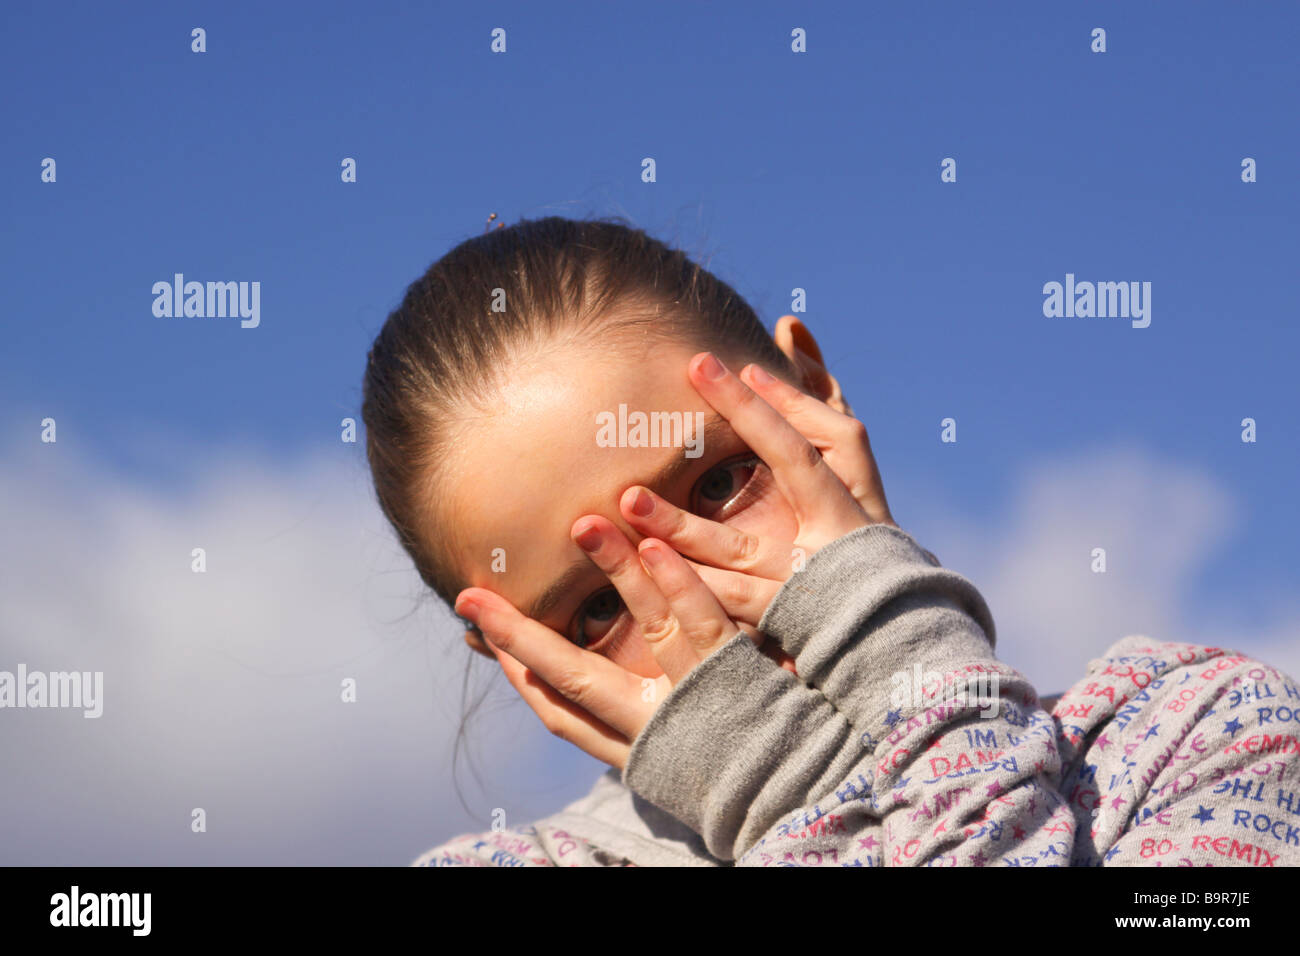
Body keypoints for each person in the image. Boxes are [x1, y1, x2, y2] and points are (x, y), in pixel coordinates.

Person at [361, 216, 1300, 867]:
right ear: (521, 664)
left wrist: (900, 679)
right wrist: (783, 779)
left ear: (811, 393)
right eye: (601, 604)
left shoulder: (1196, 737)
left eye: (720, 483)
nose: (702, 599)